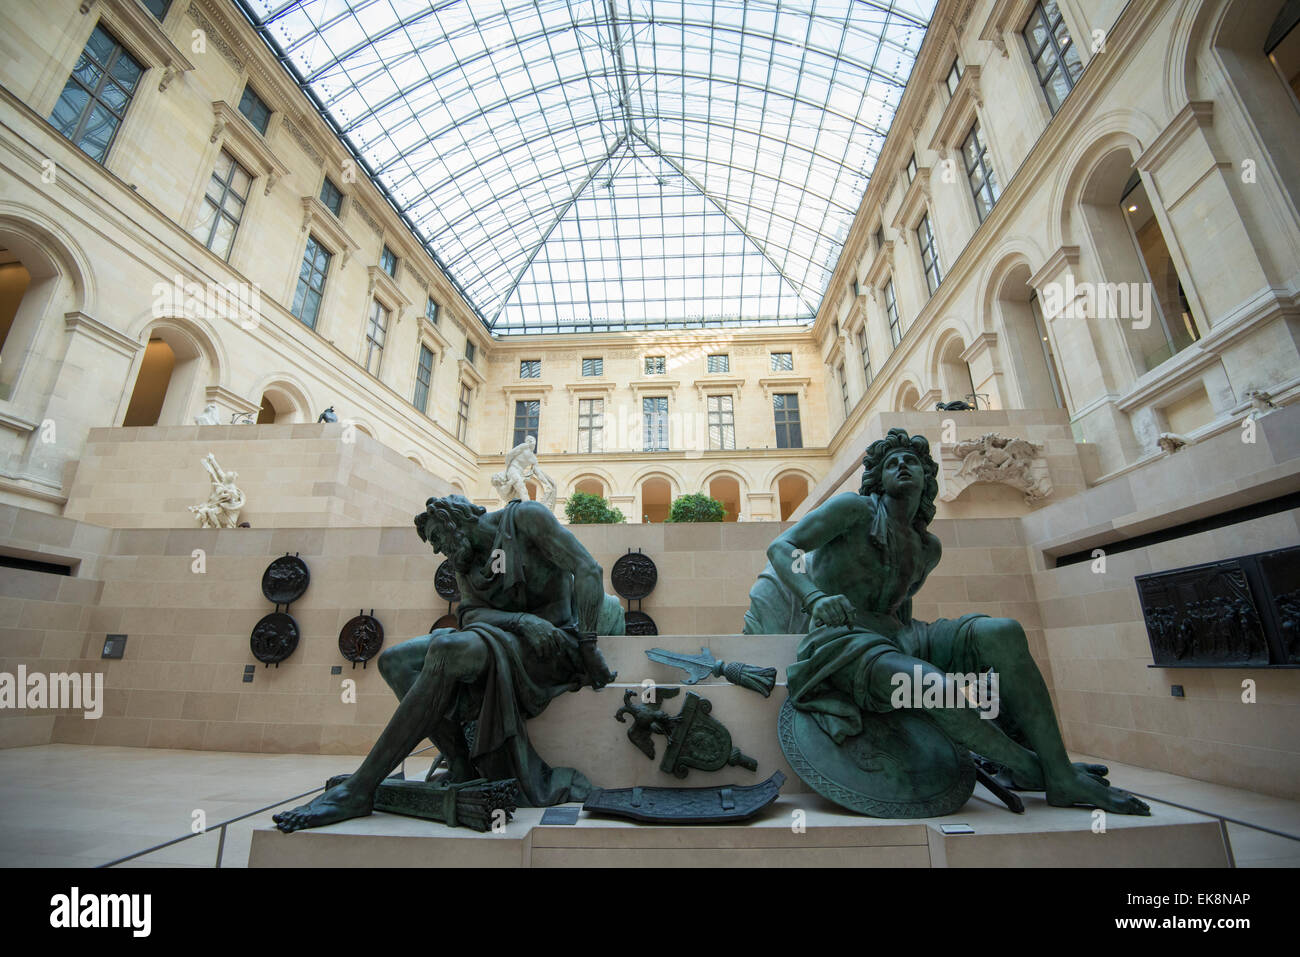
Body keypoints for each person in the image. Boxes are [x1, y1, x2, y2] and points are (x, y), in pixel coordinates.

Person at [745, 428, 1149, 815]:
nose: (903, 466)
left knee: (1002, 632)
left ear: (926, 478)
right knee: (930, 685)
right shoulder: (853, 510)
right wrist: (814, 597)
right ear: (879, 480)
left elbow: (900, 610)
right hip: (842, 642)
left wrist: (918, 649)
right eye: (892, 463)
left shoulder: (927, 548)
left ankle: (1057, 770)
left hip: (900, 635)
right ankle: (1035, 769)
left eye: (912, 462)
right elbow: (782, 546)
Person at [273, 494, 622, 832]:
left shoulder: (526, 519)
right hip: (508, 637)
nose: (438, 549)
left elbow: (588, 568)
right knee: (394, 661)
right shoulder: (464, 562)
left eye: (438, 537)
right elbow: (471, 614)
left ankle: (359, 789)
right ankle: (461, 763)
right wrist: (520, 620)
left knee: (448, 650)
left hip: (554, 646)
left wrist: (589, 647)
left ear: (455, 522)